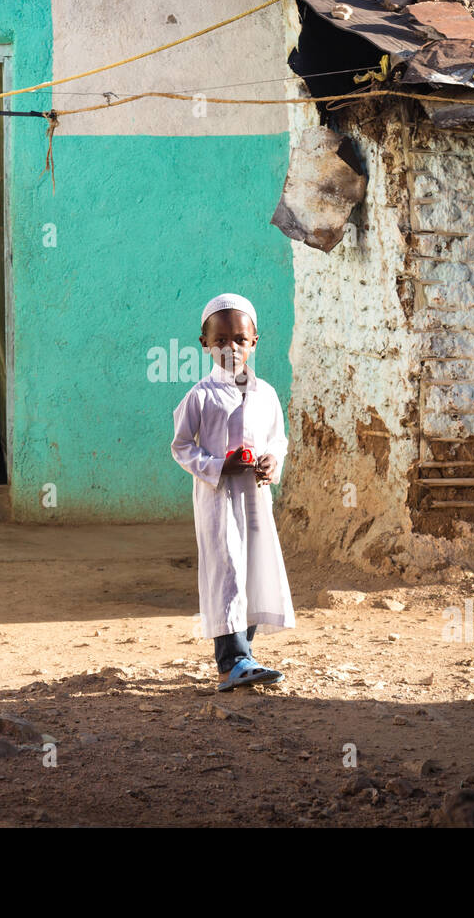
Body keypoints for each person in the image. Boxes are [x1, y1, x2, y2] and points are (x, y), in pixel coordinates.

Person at [171, 293, 296, 691]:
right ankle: (232, 662)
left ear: (254, 342)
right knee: (227, 572)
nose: (231, 348)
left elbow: (278, 440)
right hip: (219, 500)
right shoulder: (201, 396)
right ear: (205, 343)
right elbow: (181, 446)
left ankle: (246, 654)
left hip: (256, 498)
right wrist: (215, 465)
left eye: (240, 340)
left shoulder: (267, 394)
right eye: (221, 340)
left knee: (254, 570)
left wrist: (272, 462)